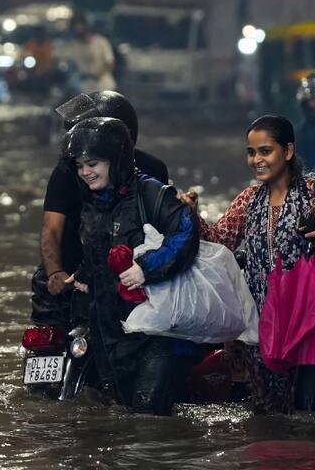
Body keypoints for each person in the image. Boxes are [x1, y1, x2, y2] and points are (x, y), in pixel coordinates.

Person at [178, 114, 315, 414]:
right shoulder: (248, 200)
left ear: (287, 152)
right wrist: (193, 215)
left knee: (312, 414)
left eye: (265, 151)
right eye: (251, 152)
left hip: (312, 320)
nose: (256, 160)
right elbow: (220, 238)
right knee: (272, 416)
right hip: (263, 327)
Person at [62, 116, 198, 414]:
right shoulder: (93, 203)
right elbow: (98, 253)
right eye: (80, 165)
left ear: (116, 159)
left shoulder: (152, 194)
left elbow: (186, 234)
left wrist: (145, 268)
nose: (86, 172)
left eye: (93, 164)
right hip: (110, 335)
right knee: (122, 419)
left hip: (157, 335)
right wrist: (84, 275)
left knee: (147, 423)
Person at [33, 91, 169, 330]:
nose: (85, 171)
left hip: (127, 279)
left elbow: (164, 231)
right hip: (71, 276)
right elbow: (51, 231)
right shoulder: (68, 172)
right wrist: (56, 272)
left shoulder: (151, 172)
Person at [64, 13, 115, 93]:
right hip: (86, 88)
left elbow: (110, 62)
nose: (78, 28)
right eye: (76, 25)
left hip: (104, 86)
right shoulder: (74, 46)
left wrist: (98, 74)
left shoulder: (100, 41)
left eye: (80, 25)